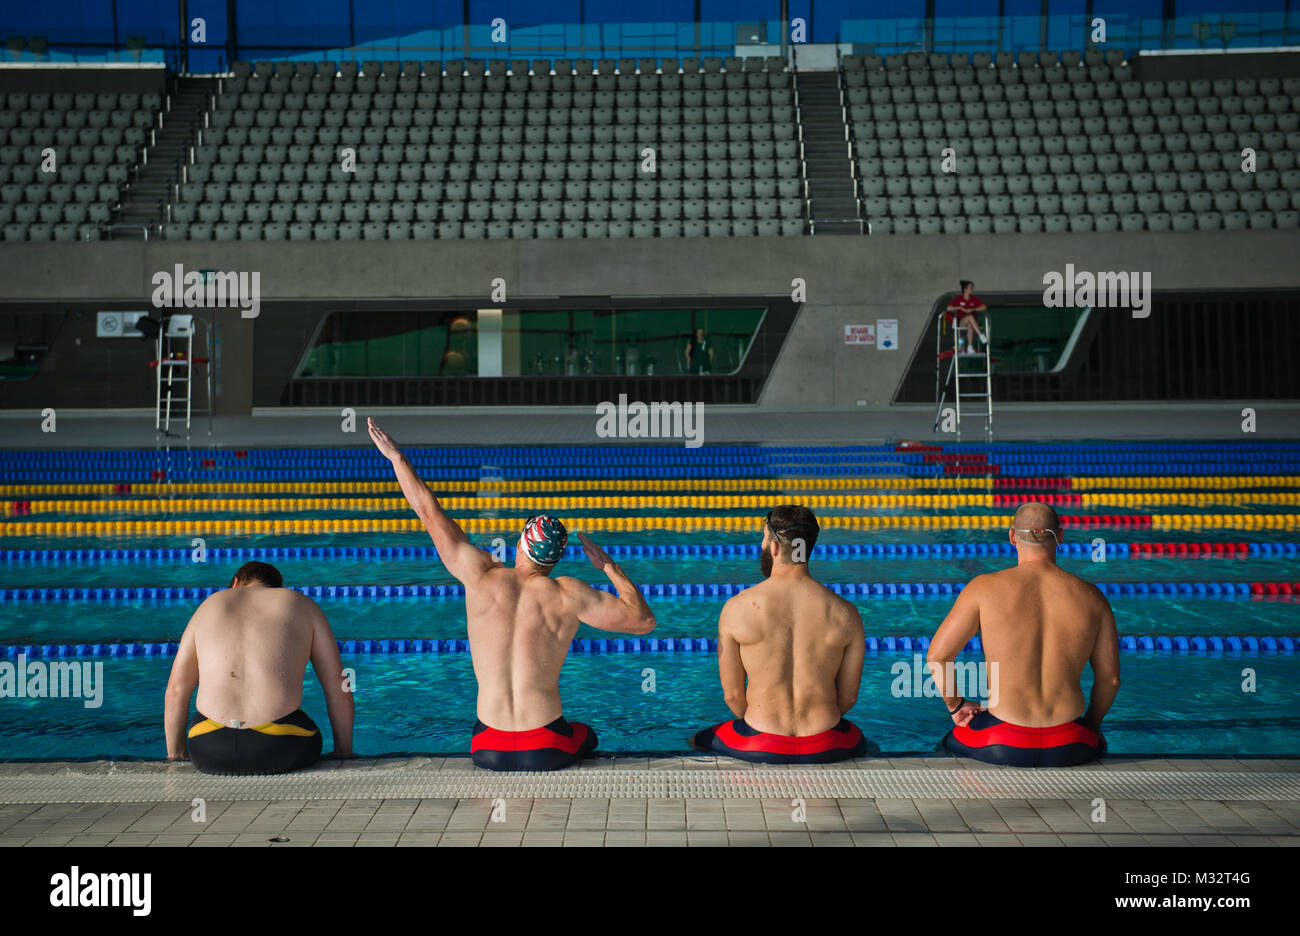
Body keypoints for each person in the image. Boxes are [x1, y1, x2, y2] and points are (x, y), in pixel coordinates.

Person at [367, 417, 656, 771]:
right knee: (587, 734)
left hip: (487, 745)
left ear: (520, 544)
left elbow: (428, 511)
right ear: (556, 558)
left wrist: (397, 459)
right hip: (547, 746)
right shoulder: (569, 593)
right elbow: (643, 621)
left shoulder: (481, 576)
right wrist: (609, 566)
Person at [927, 502, 1120, 767]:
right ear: (1060, 536)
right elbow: (1110, 679)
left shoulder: (983, 588)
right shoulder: (1092, 596)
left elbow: (937, 658)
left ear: (1012, 536)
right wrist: (1091, 727)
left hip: (1000, 741)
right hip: (1071, 742)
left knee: (945, 745)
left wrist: (956, 705)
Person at [691, 505, 869, 763]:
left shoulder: (736, 608)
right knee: (862, 740)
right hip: (827, 743)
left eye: (764, 539)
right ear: (807, 548)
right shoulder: (846, 613)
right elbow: (849, 697)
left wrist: (761, 726)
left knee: (697, 740)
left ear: (774, 547)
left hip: (760, 742)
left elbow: (732, 696)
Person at [164, 561, 353, 775]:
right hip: (278, 745)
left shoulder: (209, 605)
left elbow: (176, 689)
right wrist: (344, 752)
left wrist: (176, 755)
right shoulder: (301, 604)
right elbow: (339, 686)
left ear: (235, 583)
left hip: (209, 746)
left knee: (199, 724)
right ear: (276, 587)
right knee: (307, 727)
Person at [945, 280, 988, 350]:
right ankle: (981, 335)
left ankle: (970, 347)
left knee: (970, 324)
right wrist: (960, 308)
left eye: (972, 288)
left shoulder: (974, 299)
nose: (972, 290)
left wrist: (973, 309)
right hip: (961, 321)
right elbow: (948, 308)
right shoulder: (958, 299)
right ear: (965, 289)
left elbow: (984, 307)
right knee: (970, 317)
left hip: (973, 322)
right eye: (970, 288)